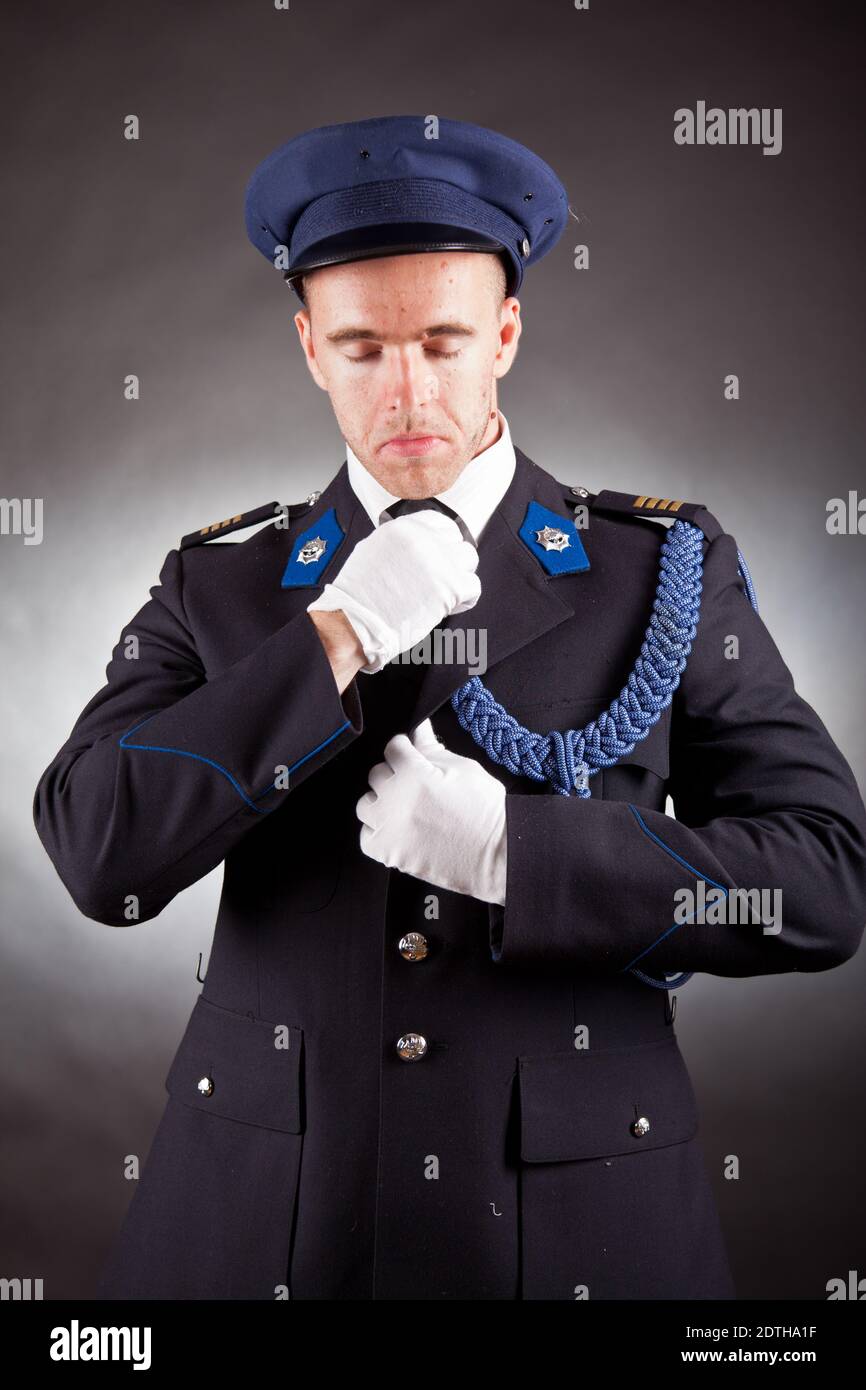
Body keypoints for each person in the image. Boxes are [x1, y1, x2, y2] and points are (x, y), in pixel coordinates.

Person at [33, 115, 866, 1301]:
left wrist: (517, 856)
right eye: (363, 347)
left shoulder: (661, 567)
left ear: (507, 334)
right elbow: (96, 851)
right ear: (309, 346)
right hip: (269, 1219)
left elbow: (822, 883)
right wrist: (331, 636)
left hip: (574, 1219)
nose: (408, 391)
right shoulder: (220, 580)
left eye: (444, 340)